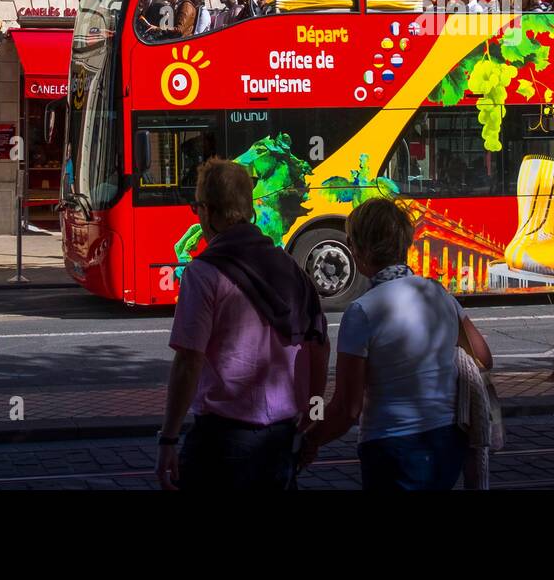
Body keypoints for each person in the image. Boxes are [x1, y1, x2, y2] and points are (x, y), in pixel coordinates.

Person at [157, 159, 329, 492]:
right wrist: (314, 420)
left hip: (220, 441)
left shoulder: (203, 274)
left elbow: (188, 362)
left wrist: (168, 438)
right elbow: (320, 346)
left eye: (197, 208)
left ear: (207, 211)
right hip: (280, 437)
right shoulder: (291, 269)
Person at [301, 198, 493, 490]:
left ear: (361, 249)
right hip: (447, 442)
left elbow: (347, 408)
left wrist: (309, 442)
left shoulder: (362, 311)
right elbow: (483, 356)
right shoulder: (437, 293)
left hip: (393, 448)